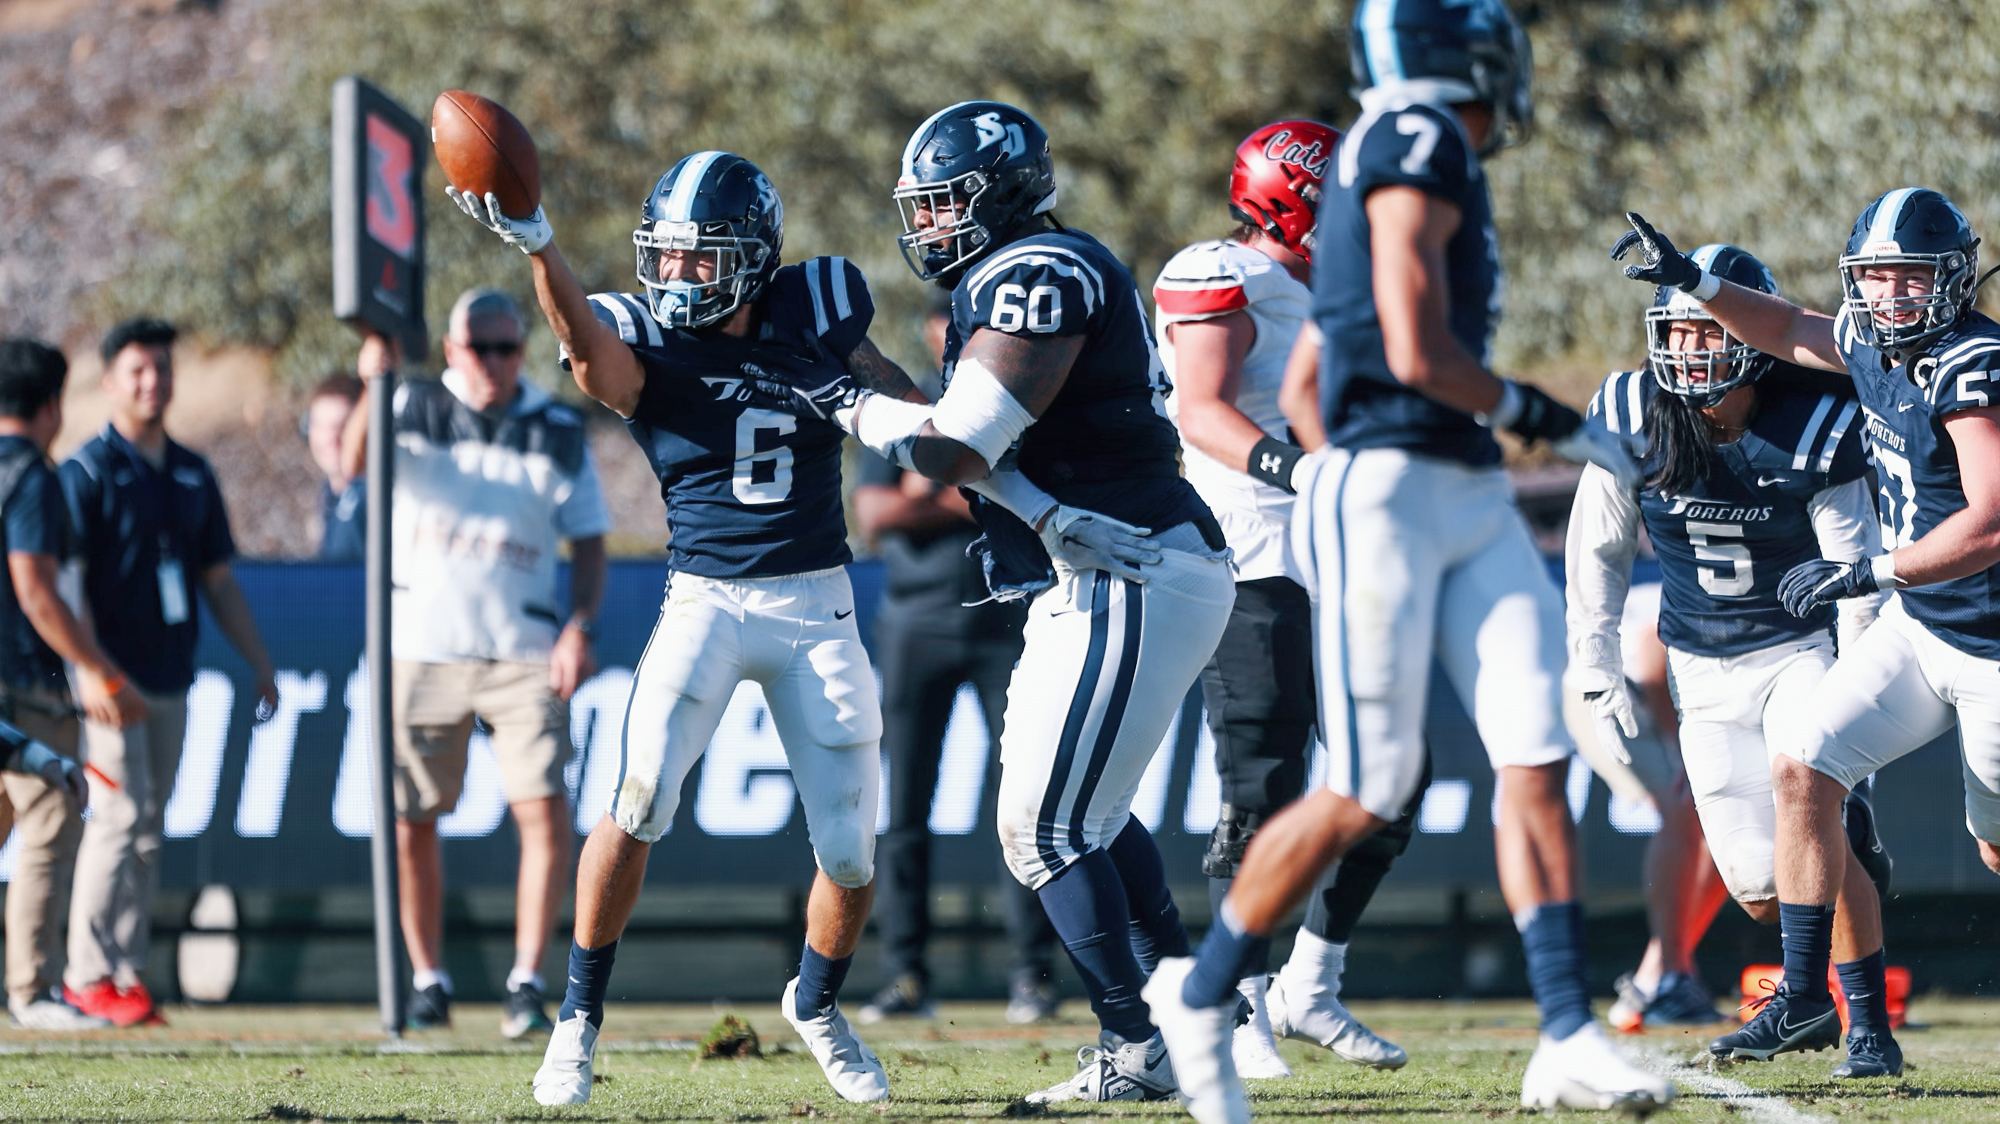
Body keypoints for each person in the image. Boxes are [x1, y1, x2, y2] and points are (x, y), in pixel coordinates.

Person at [1144, 2, 1675, 1120]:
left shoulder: (1375, 157)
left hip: (1454, 483)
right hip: (1393, 491)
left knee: (1533, 748)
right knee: (1364, 783)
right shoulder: (1417, 137)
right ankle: (1200, 999)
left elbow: (1311, 375)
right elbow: (1411, 342)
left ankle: (1564, 1029)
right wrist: (1554, 417)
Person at [449, 151, 925, 1106]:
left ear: (750, 261)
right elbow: (590, 359)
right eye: (663, 258)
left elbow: (913, 414)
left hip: (816, 600)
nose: (674, 277)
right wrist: (542, 249)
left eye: (697, 260)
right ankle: (577, 1018)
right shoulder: (643, 336)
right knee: (639, 798)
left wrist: (851, 388)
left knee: (850, 847)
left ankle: (818, 1002)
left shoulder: (820, 306)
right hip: (704, 599)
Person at [806, 99, 1231, 1107]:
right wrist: (852, 357)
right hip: (1095, 563)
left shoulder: (1036, 272)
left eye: (947, 201)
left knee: (1046, 830)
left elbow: (956, 448)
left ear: (1003, 191)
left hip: (1130, 564)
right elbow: (960, 432)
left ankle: (1145, 1036)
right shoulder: (1009, 278)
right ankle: (1188, 1013)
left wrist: (841, 398)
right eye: (923, 205)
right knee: (1081, 814)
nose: (931, 224)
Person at [1612, 187, 2000, 1078]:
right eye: (1877, 278)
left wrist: (1871, 571)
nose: (1891, 297)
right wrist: (1694, 280)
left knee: (1994, 844)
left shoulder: (1974, 360)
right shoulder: (1872, 341)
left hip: (1987, 643)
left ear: (1950, 278)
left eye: (1909, 279)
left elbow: (1989, 521)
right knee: (1803, 764)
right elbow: (1785, 327)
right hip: (1920, 625)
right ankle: (1806, 1001)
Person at [1569, 244, 1894, 1040]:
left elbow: (1852, 570)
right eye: (1675, 333)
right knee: (1759, 885)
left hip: (1800, 649)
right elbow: (1597, 549)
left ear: (1749, 333)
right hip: (1701, 664)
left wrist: (1856, 703)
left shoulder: (1811, 419)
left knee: (1803, 795)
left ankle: (1863, 1022)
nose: (1688, 349)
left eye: (1706, 329)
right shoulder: (1631, 414)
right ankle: (1832, 967)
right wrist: (1595, 659)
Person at [1152, 119, 1416, 1078]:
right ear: (1289, 191)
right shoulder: (1219, 272)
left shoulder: (1349, 287)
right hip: (1253, 553)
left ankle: (1312, 982)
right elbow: (1200, 409)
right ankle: (1239, 1005)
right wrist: (1300, 471)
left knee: (1396, 776)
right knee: (1261, 789)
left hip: (1346, 558)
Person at [339, 289, 609, 1038]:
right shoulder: (410, 404)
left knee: (542, 809)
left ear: (523, 350)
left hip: (524, 644)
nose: (492, 362)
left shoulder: (556, 425)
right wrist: (372, 381)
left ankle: (527, 979)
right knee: (409, 817)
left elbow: (588, 536)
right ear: (451, 349)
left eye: (506, 347)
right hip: (420, 642)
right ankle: (428, 979)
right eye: (477, 347)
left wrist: (579, 626)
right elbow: (350, 463)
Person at [60, 317, 280, 1029]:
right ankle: (85, 976)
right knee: (117, 818)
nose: (152, 382)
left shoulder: (190, 471)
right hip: (109, 680)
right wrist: (89, 671)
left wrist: (258, 659)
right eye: (137, 371)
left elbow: (216, 579)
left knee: (149, 827)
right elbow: (65, 586)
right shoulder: (86, 473)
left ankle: (127, 975)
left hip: (171, 675)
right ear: (110, 382)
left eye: (161, 369)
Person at [853, 296, 1057, 1027]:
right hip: (917, 625)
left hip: (1005, 623)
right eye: (943, 327)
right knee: (902, 810)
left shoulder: (1013, 401)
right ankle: (905, 976)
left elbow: (1022, 495)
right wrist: (970, 485)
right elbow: (875, 516)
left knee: (1027, 805)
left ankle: (1032, 977)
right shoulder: (904, 411)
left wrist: (942, 483)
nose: (951, 339)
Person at [0, 338, 137, 1031]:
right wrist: (97, 669)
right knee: (50, 824)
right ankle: (32, 990)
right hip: (24, 688)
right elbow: (36, 590)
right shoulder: (33, 476)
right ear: (52, 405)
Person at [1567, 587, 1733, 1032]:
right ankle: (1668, 975)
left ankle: (1658, 976)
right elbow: (1654, 658)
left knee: (1725, 829)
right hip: (1618, 691)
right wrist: (1679, 751)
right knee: (1685, 813)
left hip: (1650, 694)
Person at [303, 371, 365, 562]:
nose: (331, 439)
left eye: (342, 426)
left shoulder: (375, 496)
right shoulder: (328, 496)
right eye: (320, 426)